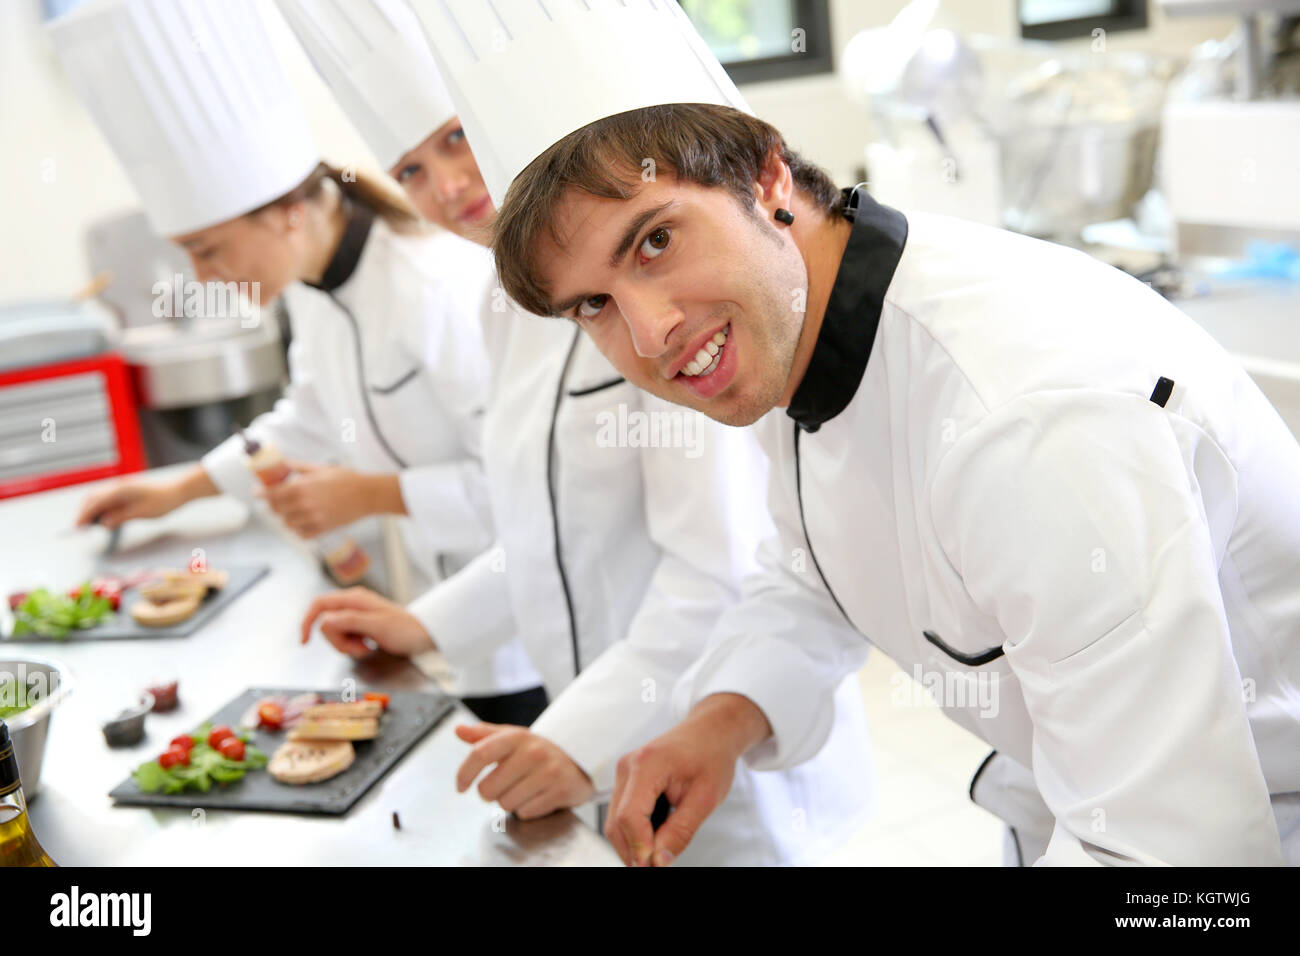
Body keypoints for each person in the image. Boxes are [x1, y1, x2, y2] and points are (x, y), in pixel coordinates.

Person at [414, 0, 1300, 865]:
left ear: (764, 180)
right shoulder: (790, 331)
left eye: (654, 241)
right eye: (594, 304)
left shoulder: (1025, 419)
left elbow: (1179, 852)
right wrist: (721, 721)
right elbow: (810, 571)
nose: (649, 336)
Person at [281, 0, 875, 864]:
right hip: (606, 740)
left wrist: (576, 739)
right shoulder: (501, 307)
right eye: (410, 169)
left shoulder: (689, 320)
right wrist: (432, 626)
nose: (447, 185)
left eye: (455, 138)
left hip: (731, 755)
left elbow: (717, 571)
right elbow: (538, 532)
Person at [50, 0, 544, 725]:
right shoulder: (313, 289)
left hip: (520, 620)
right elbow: (308, 417)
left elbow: (518, 489)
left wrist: (369, 495)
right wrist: (176, 492)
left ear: (286, 211)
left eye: (210, 250)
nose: (206, 276)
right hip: (438, 610)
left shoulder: (434, 291)